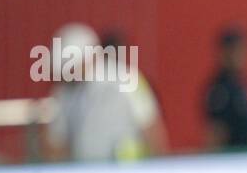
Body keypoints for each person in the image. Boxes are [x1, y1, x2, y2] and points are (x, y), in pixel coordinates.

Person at [46, 22, 142, 163]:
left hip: (127, 172)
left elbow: (150, 126)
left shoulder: (126, 79)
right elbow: (56, 141)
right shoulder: (64, 93)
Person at [101, 28, 168, 158]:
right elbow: (149, 124)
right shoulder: (129, 79)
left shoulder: (84, 84)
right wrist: (161, 158)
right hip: (130, 165)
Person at [203, 25, 247, 151]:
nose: (243, 54)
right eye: (237, 49)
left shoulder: (245, 85)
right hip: (234, 163)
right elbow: (215, 133)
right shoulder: (220, 90)